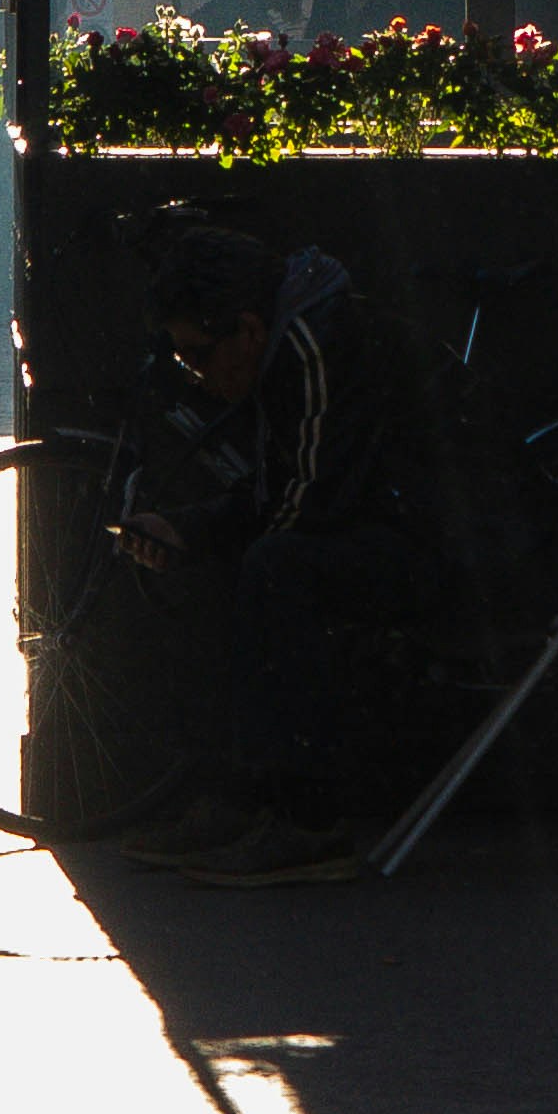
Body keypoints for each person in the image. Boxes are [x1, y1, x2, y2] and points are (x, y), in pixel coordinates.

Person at [110, 225, 442, 887]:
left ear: (249, 331)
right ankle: (244, 801)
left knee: (274, 570)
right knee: (254, 564)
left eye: (199, 355)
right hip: (383, 522)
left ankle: (308, 823)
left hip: (445, 545)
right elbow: (276, 491)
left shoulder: (315, 347)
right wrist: (191, 531)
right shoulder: (281, 349)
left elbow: (312, 501)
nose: (197, 373)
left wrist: (220, 541)